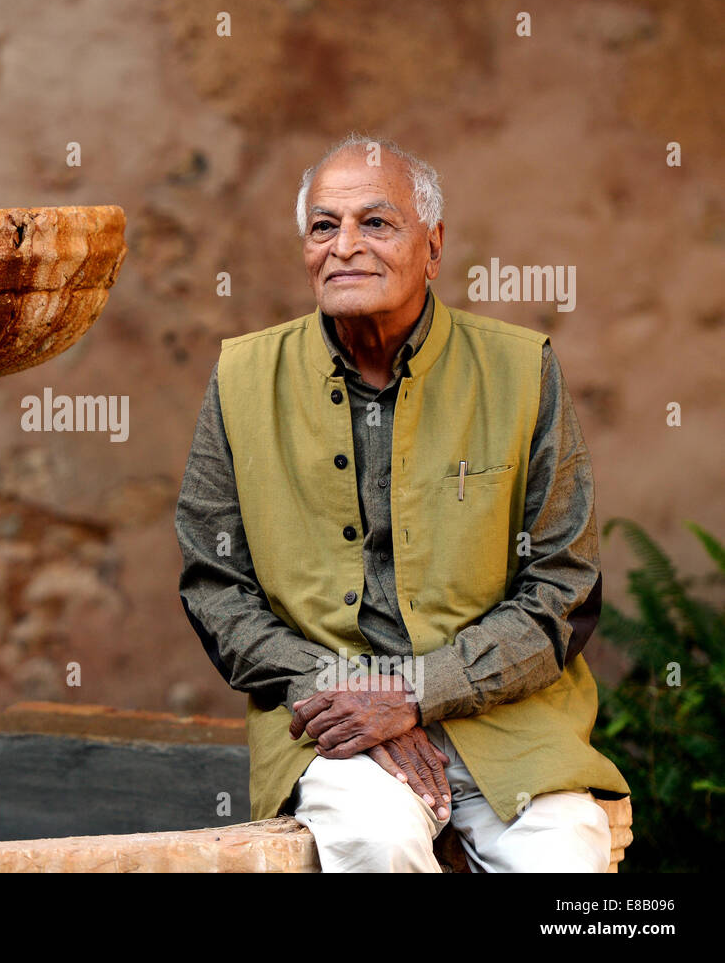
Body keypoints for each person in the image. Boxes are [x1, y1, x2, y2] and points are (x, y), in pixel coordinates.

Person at [174, 133, 628, 872]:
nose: (344, 245)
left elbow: (563, 587)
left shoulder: (521, 370)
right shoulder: (242, 377)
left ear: (434, 247)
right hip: (329, 728)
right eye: (324, 226)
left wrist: (418, 692)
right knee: (376, 841)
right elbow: (215, 587)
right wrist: (345, 696)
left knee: (567, 856)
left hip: (502, 720)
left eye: (375, 223)